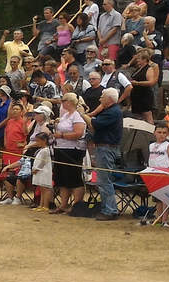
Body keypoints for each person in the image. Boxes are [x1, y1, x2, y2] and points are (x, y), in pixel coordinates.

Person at [49, 93, 88, 213]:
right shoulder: (65, 115)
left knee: (74, 177)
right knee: (61, 178)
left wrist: (61, 135)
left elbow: (78, 133)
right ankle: (63, 204)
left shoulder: (77, 116)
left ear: (70, 102)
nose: (62, 103)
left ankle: (76, 205)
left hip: (73, 150)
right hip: (60, 148)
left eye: (63, 100)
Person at [89, 87, 124, 220]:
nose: (100, 99)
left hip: (106, 148)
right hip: (105, 147)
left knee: (104, 180)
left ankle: (110, 210)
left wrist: (84, 115)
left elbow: (95, 124)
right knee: (103, 180)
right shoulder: (110, 110)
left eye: (102, 96)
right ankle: (107, 208)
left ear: (109, 99)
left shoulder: (112, 112)